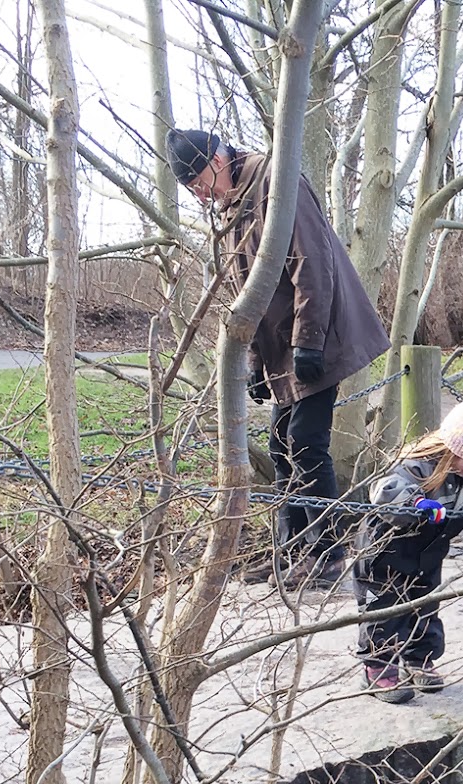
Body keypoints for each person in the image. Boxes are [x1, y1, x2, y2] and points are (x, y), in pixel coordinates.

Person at [165, 128, 390, 587]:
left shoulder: (274, 179)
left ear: (217, 157)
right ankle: (291, 552)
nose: (200, 193)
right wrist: (252, 361)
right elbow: (243, 291)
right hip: (279, 346)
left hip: (321, 332)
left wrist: (309, 340)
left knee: (306, 439)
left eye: (199, 181)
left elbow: (313, 260)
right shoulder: (229, 208)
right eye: (191, 190)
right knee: (281, 445)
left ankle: (326, 555)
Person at [353, 396, 463, 703]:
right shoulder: (414, 465)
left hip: (429, 552)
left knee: (426, 604)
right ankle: (379, 664)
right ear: (453, 448)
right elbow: (385, 490)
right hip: (387, 551)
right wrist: (416, 504)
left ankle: (420, 657)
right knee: (385, 609)